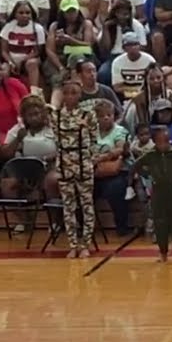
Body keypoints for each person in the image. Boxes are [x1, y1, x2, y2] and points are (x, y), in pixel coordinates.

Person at [130, 126, 172, 262]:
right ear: (155, 142)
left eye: (166, 141)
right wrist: (147, 174)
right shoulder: (150, 155)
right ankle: (163, 252)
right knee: (160, 222)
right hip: (158, 191)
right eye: (160, 141)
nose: (164, 144)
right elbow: (136, 166)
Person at [52, 81, 98, 258]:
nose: (70, 96)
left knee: (86, 205)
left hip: (83, 162)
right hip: (64, 163)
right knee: (68, 206)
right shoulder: (55, 116)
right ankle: (72, 243)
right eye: (67, 93)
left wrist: (90, 159)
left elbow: (94, 139)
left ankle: (85, 243)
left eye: (74, 93)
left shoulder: (88, 115)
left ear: (80, 95)